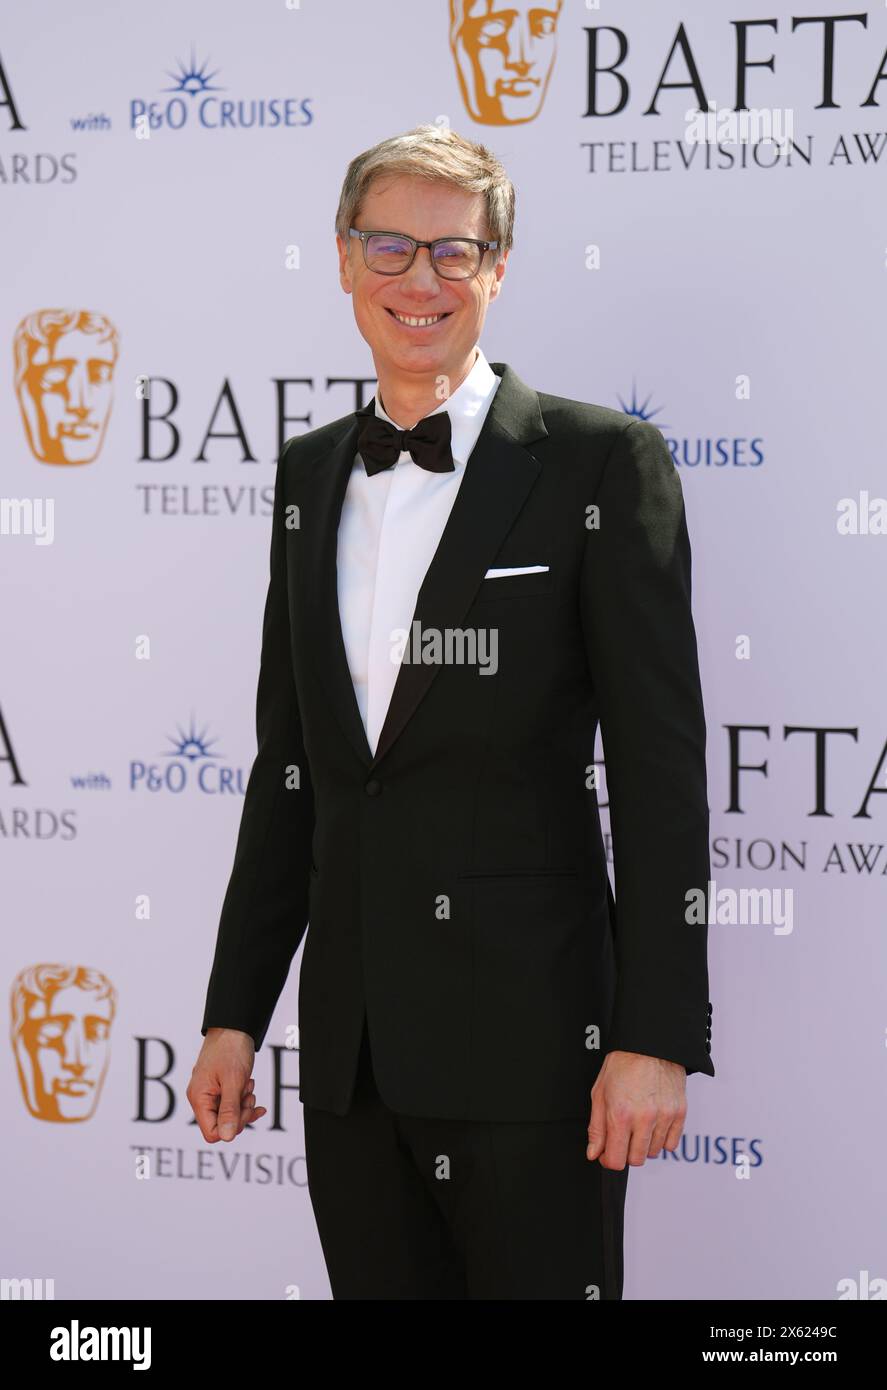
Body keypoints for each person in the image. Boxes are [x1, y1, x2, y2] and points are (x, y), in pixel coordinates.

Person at [188, 124, 714, 1300]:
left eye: (450, 251)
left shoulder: (595, 462)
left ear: (496, 267)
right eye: (388, 246)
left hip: (536, 1051)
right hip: (354, 1057)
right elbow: (296, 768)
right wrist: (234, 1012)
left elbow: (659, 771)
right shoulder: (309, 473)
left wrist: (656, 1035)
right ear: (340, 259)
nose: (417, 280)